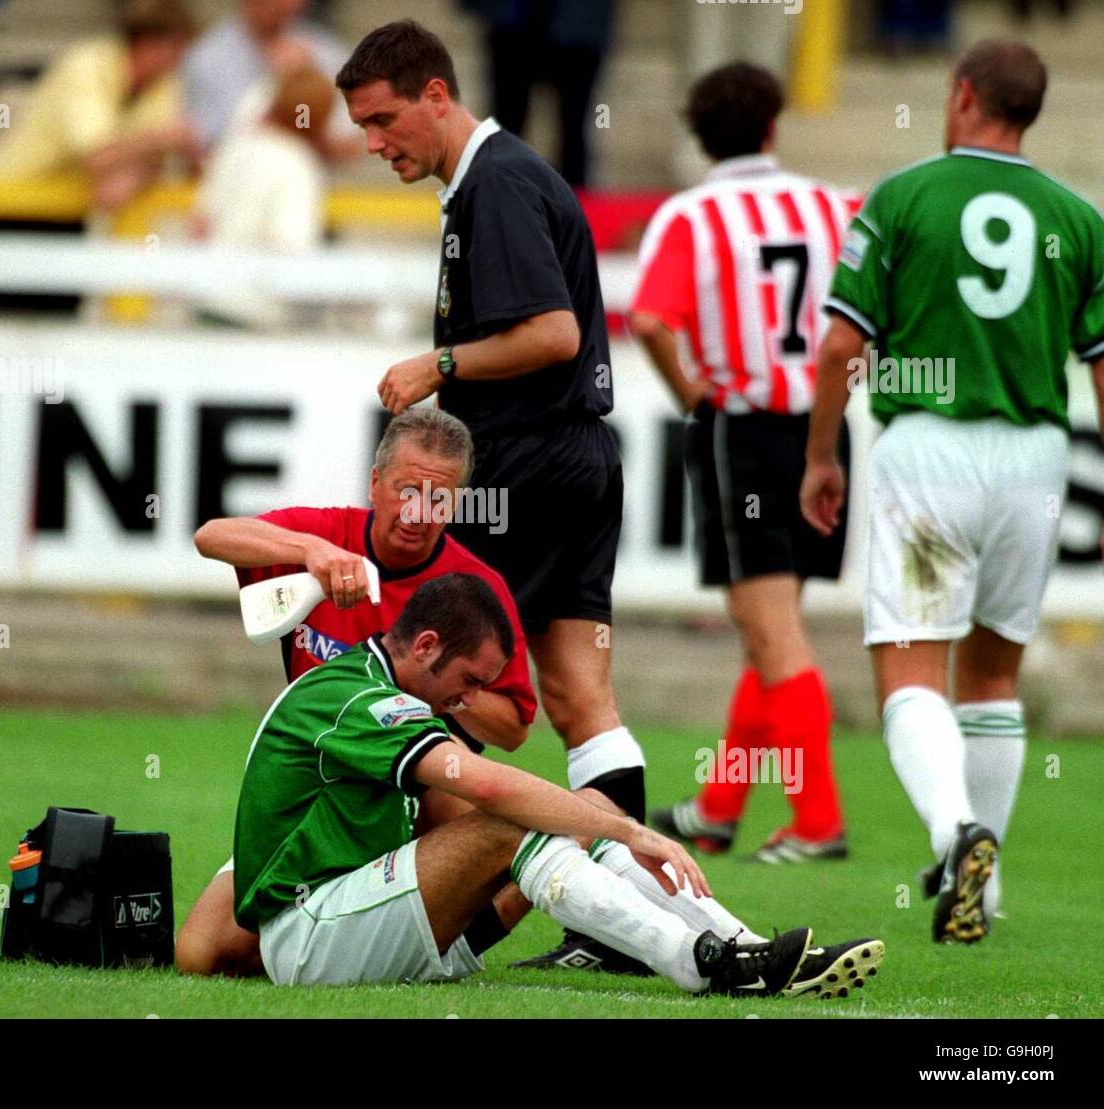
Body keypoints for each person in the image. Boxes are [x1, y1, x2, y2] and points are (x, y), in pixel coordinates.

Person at [335, 19, 650, 973]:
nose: (377, 142)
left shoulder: (497, 182)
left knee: (436, 664)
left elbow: (553, 332)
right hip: (579, 459)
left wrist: (436, 364)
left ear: (438, 94)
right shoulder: (494, 180)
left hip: (527, 466)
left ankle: (425, 893)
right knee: (578, 693)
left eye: (386, 120)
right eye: (361, 127)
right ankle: (625, 921)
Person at [235, 571, 886, 997]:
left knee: (587, 806)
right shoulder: (350, 695)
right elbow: (488, 789)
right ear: (426, 643)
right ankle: (703, 962)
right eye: (470, 679)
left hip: (378, 916)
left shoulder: (386, 692)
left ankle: (746, 948)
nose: (472, 698)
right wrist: (630, 830)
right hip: (310, 937)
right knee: (521, 821)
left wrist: (602, 822)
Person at [801, 40, 1104, 943]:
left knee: (907, 663)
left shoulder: (904, 197)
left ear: (962, 94)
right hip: (1037, 460)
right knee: (994, 672)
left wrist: (822, 457)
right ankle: (989, 884)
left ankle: (952, 833)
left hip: (930, 449)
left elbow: (838, 349)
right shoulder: (1078, 217)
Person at [175, 408, 538, 976]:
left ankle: (503, 894)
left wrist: (434, 689)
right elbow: (209, 536)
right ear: (375, 483)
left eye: (438, 501)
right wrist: (307, 552)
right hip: (321, 792)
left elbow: (515, 726)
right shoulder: (324, 539)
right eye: (406, 491)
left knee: (457, 786)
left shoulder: (473, 592)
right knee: (200, 956)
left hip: (415, 793)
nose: (418, 513)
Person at [628, 63, 859, 865]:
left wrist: (696, 393)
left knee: (772, 632)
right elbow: (875, 312)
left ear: (699, 135)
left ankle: (818, 821)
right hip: (824, 429)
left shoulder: (692, 215)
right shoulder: (834, 206)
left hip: (748, 429)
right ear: (772, 126)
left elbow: (651, 318)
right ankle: (720, 805)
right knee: (771, 628)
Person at [0, 0, 198, 210]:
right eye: (178, 49)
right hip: (18, 203)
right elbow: (98, 156)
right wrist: (163, 140)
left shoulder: (163, 83)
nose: (182, 60)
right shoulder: (85, 66)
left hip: (69, 209)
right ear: (149, 43)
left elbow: (153, 159)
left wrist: (135, 175)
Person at [192, 62, 337, 329]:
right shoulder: (298, 164)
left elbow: (200, 226)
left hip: (206, 306)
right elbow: (290, 248)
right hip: (256, 322)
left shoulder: (233, 147)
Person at [458, 0, 614, 187]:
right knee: (505, 129)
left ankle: (572, 201)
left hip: (578, 25)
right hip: (514, 20)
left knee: (575, 133)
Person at [182, 0, 355, 159]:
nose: (287, 5)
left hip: (307, 185)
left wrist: (304, 90)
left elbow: (348, 146)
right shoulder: (206, 59)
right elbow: (204, 151)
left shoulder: (325, 52)